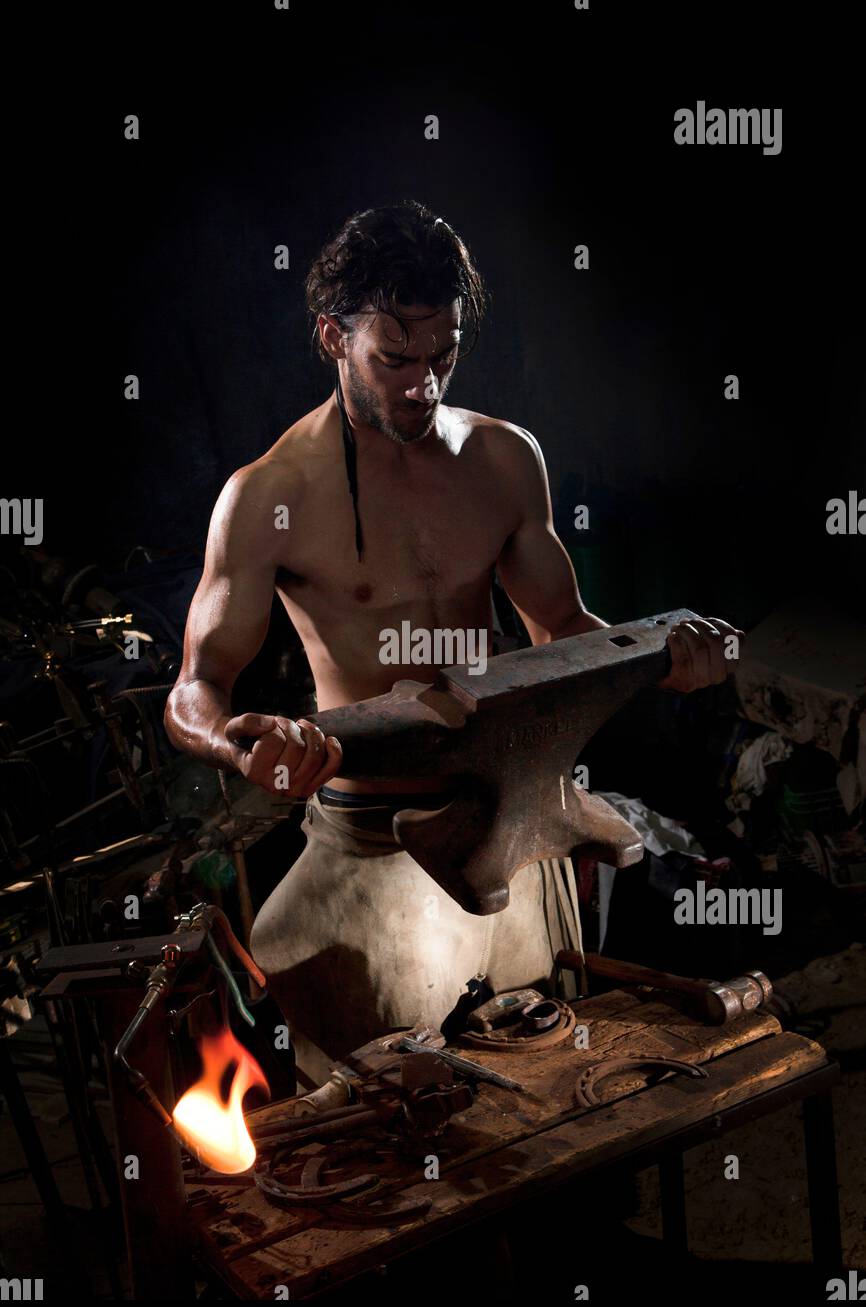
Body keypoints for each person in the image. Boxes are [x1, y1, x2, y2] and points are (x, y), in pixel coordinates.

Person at [164, 201, 742, 1084]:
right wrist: (238, 746)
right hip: (373, 838)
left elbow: (564, 635)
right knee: (391, 1123)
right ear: (333, 336)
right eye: (393, 359)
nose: (421, 385)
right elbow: (195, 688)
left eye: (442, 356)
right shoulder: (267, 494)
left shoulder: (505, 458)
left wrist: (662, 661)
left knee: (560, 1090)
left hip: (517, 818)